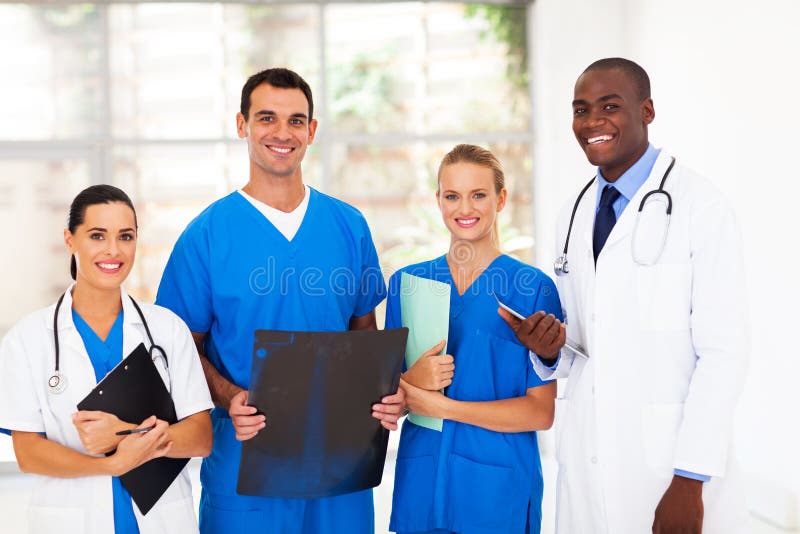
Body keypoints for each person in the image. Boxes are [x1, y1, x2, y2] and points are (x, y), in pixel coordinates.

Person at [499, 58, 750, 533]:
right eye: (580, 109)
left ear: (647, 110)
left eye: (609, 106)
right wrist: (550, 350)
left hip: (667, 467)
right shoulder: (571, 214)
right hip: (589, 465)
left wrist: (690, 480)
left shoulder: (702, 206)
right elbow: (587, 343)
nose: (592, 122)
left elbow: (724, 354)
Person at [155, 67, 405, 534]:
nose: (281, 133)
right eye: (266, 117)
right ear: (242, 125)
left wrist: (385, 396)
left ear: (311, 131)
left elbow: (363, 333)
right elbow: (180, 347)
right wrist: (231, 398)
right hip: (247, 461)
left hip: (341, 464)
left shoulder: (348, 225)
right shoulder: (206, 236)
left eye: (296, 121)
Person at [0, 185, 213, 533]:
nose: (113, 250)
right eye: (97, 235)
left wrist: (123, 435)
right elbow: (28, 453)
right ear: (70, 240)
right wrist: (113, 465)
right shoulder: (28, 339)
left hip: (162, 520)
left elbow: (201, 437)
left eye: (125, 236)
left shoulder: (167, 329)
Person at [387, 144, 559, 534]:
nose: (465, 208)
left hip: (496, 493)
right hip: (422, 485)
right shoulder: (407, 285)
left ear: (501, 199)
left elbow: (540, 412)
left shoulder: (533, 289)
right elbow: (388, 404)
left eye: (478, 195)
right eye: (452, 196)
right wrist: (412, 380)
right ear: (438, 200)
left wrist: (443, 406)